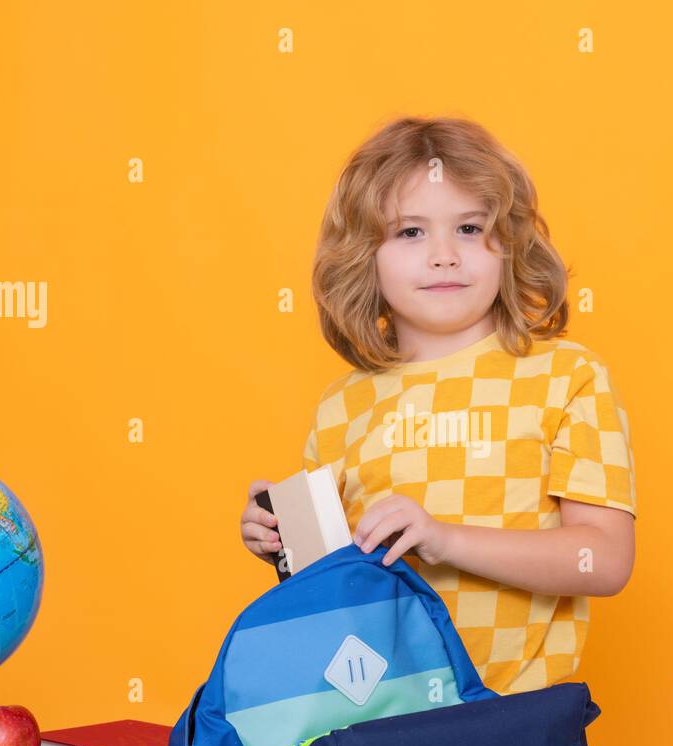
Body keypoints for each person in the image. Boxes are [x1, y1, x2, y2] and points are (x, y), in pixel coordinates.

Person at [241, 115, 636, 695]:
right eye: (410, 233)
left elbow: (604, 560)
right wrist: (282, 541)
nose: (445, 255)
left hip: (516, 719)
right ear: (363, 256)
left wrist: (443, 538)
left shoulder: (566, 377)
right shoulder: (341, 407)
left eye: (471, 228)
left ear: (511, 244)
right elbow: (335, 591)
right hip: (378, 718)